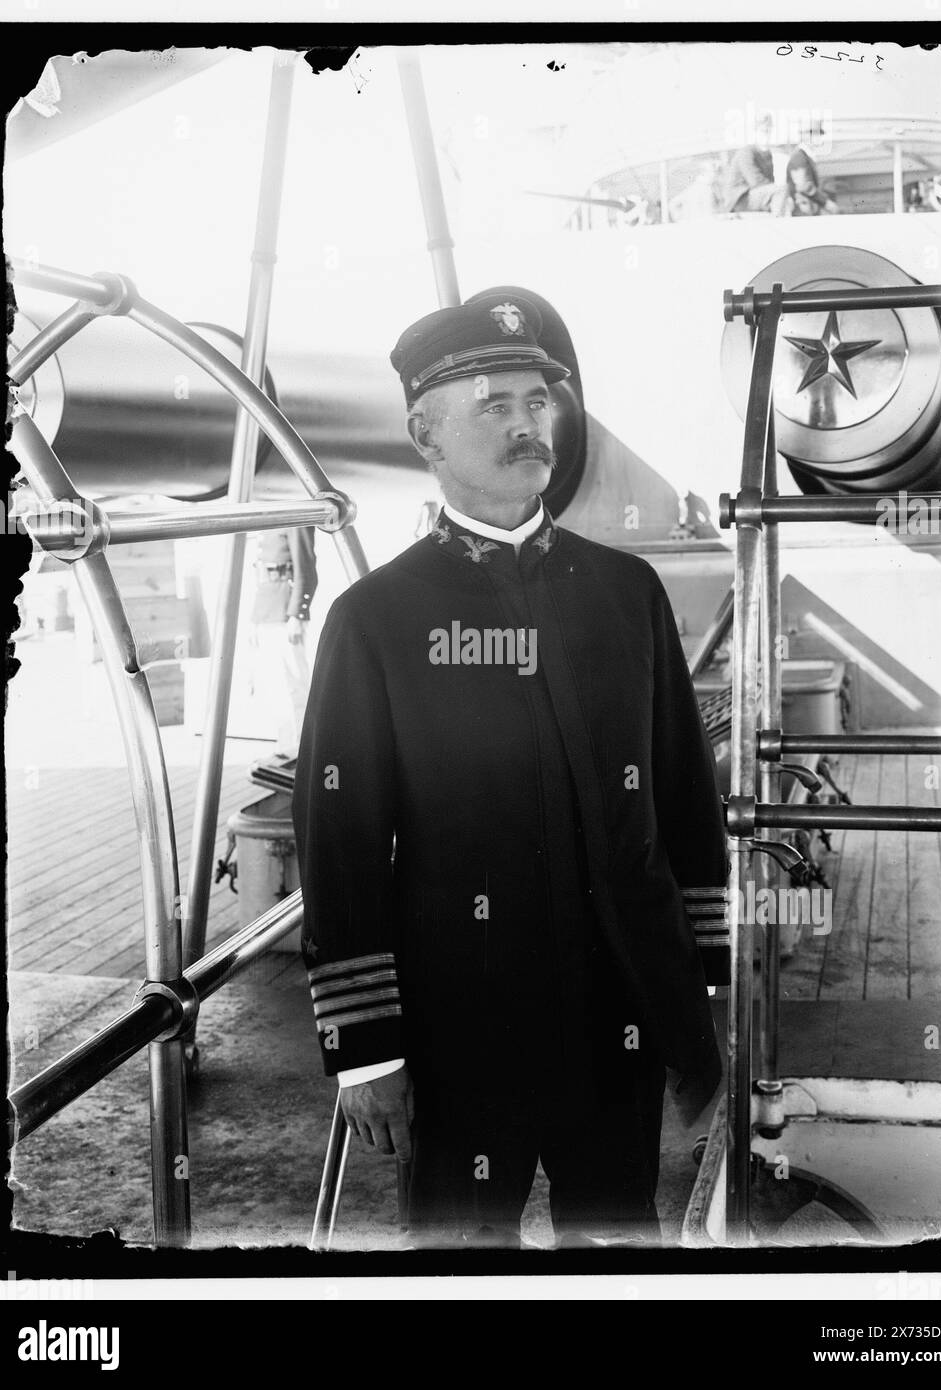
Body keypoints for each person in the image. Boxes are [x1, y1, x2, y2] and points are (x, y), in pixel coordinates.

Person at [292, 291, 727, 1249]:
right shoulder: (376, 619)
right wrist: (365, 1049)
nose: (531, 425)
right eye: (496, 405)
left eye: (539, 403)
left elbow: (686, 800)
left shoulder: (626, 593)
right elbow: (343, 841)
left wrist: (699, 988)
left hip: (618, 1018)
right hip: (459, 1030)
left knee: (618, 1246)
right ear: (425, 433)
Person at [249, 526, 318, 756]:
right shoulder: (267, 517)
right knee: (276, 687)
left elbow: (306, 569)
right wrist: (255, 619)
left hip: (285, 611)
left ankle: (303, 750)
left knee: (295, 685)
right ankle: (286, 746)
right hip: (267, 610)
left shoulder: (293, 517)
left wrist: (297, 614)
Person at [722, 112, 789, 216]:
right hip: (739, 199)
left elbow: (769, 183)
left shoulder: (766, 153)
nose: (767, 135)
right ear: (754, 132)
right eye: (763, 131)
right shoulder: (746, 152)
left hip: (753, 196)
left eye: (769, 131)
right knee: (781, 189)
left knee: (783, 194)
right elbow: (755, 181)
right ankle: (778, 223)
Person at [785, 136, 838, 217]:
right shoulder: (798, 158)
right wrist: (825, 202)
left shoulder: (802, 156)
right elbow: (802, 186)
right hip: (804, 208)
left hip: (807, 207)